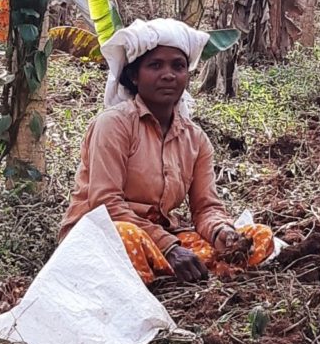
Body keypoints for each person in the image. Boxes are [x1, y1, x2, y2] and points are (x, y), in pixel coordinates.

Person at [58, 19, 274, 283]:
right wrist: (169, 247)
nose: (168, 74)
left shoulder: (196, 140)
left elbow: (205, 208)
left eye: (178, 66)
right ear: (135, 76)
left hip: (161, 238)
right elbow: (106, 205)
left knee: (259, 236)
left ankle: (169, 276)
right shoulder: (114, 125)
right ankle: (165, 276)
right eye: (155, 65)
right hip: (101, 235)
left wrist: (223, 233)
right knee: (128, 238)